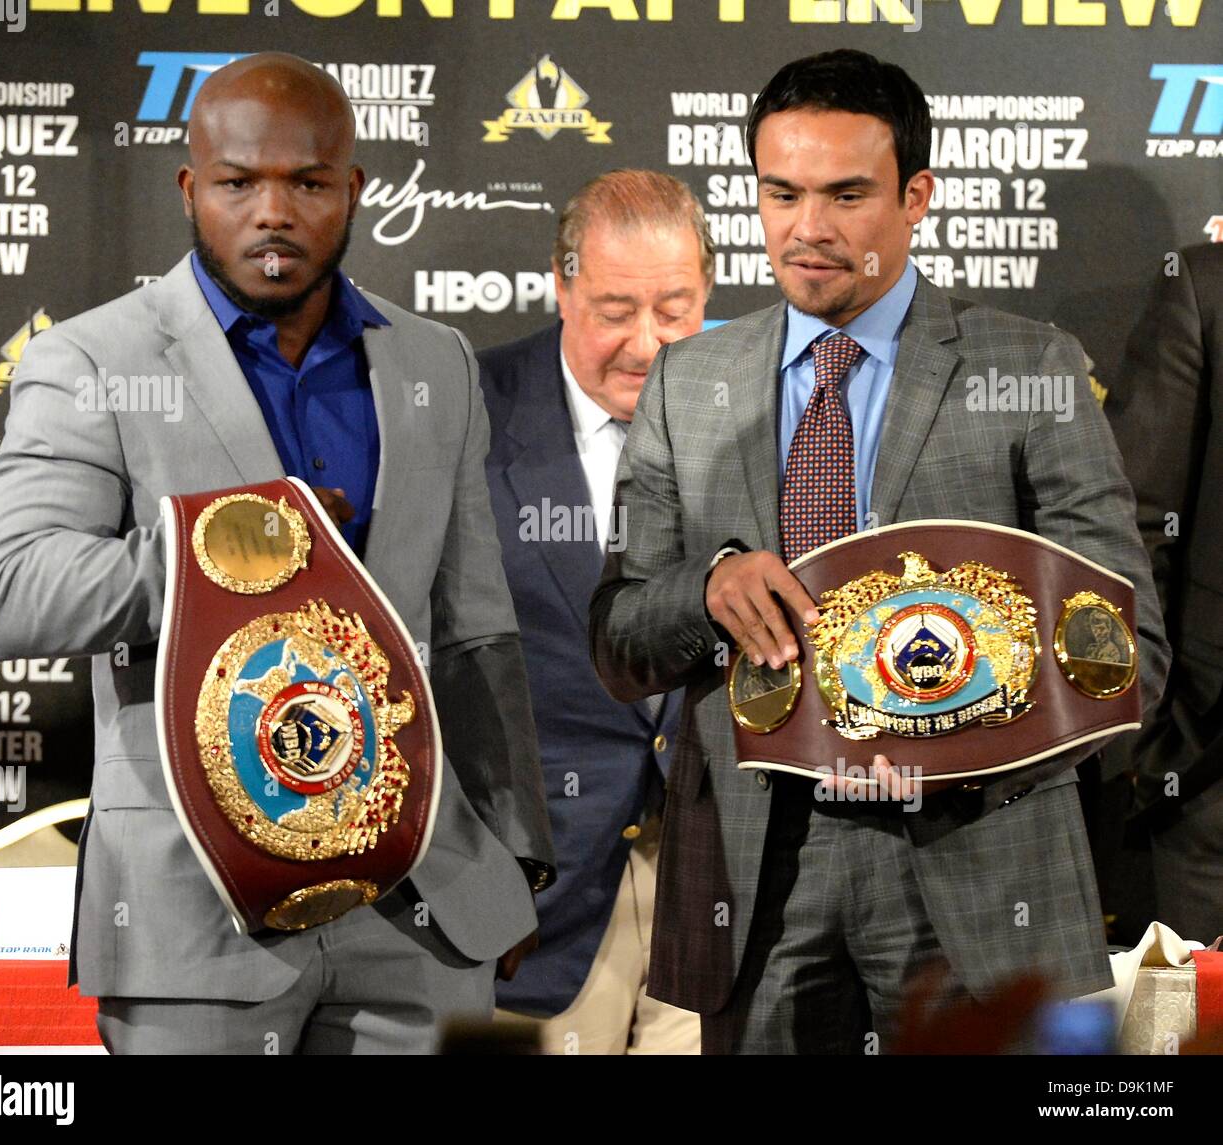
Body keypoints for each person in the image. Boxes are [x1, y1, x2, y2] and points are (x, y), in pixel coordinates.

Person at [0, 52, 554, 1055]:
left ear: (353, 189)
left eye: (309, 182)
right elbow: (13, 595)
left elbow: (472, 628)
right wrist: (223, 552)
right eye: (239, 182)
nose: (273, 211)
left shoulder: (433, 363)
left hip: (421, 902)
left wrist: (514, 850)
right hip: (197, 912)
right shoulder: (93, 361)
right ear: (192, 188)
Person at [588, 49, 1169, 1054]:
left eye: (846, 194)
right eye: (781, 192)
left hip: (978, 866)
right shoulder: (691, 380)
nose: (807, 228)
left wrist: (947, 717)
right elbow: (618, 637)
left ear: (916, 197)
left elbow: (1127, 654)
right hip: (757, 871)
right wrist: (709, 587)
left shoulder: (1025, 365)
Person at [479, 171, 709, 1054]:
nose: (647, 344)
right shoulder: (470, 409)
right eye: (614, 310)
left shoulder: (768, 409)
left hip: (710, 901)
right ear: (561, 284)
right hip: (528, 914)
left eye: (674, 310)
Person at [1107, 242, 1223, 944]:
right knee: (1194, 1034)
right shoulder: (1204, 289)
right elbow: (1133, 528)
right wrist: (1159, 743)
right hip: (1210, 779)